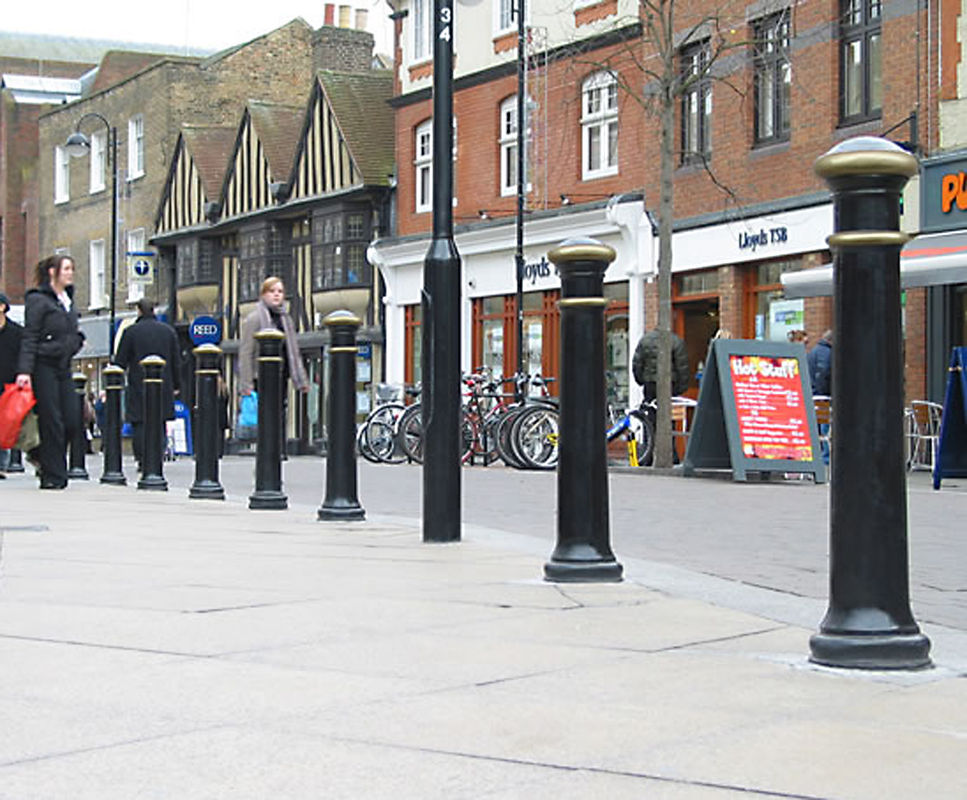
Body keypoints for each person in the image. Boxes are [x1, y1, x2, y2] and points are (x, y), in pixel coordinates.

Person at [15, 255, 85, 489]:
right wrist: (24, 371)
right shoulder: (38, 300)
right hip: (43, 365)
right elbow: (30, 336)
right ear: (53, 272)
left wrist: (76, 341)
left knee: (73, 418)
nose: (71, 273)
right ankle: (54, 476)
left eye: (72, 268)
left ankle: (41, 457)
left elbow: (71, 331)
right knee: (51, 419)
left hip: (63, 365)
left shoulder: (67, 300)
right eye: (66, 268)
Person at [238, 276, 309, 452]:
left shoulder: (287, 320)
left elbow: (293, 351)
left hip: (281, 374)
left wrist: (301, 380)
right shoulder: (254, 319)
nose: (277, 295)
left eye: (280, 291)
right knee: (266, 416)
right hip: (259, 377)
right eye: (272, 291)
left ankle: (277, 450)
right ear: (263, 294)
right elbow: (246, 351)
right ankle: (267, 453)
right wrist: (246, 384)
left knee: (279, 413)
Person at [113, 298, 181, 467]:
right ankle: (157, 458)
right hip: (163, 387)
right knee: (159, 422)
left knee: (140, 423)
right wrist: (177, 385)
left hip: (138, 385)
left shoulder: (131, 332)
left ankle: (143, 459)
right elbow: (176, 361)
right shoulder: (168, 332)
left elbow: (120, 361)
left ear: (139, 311)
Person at [0, 292, 24, 477]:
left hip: (8, 385)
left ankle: (2, 463)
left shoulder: (16, 332)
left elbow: (22, 358)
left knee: (5, 425)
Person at [632, 328, 691, 402]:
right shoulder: (676, 341)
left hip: (650, 383)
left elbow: (637, 364)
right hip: (669, 383)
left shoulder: (645, 340)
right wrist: (680, 388)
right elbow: (682, 367)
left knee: (650, 407)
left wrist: (641, 380)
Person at [807, 329, 833, 397]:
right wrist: (826, 392)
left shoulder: (814, 350)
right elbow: (824, 372)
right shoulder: (826, 352)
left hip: (813, 391)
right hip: (821, 394)